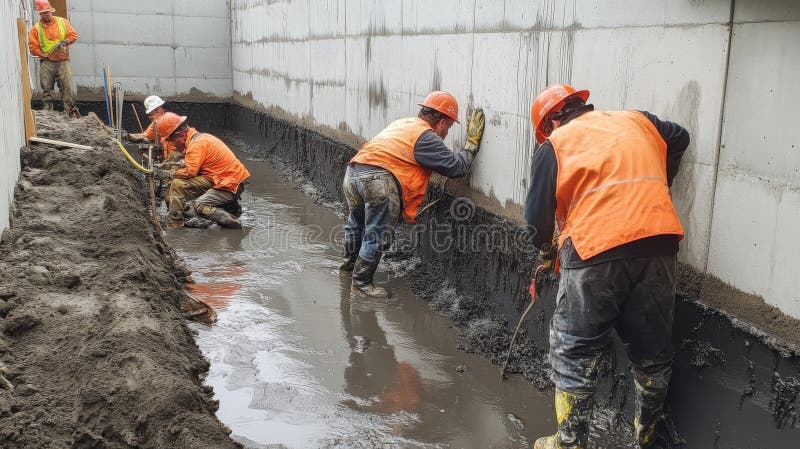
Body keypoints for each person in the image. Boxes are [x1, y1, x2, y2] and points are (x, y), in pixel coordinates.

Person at [524, 84, 690, 449]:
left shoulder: (555, 144)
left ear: (552, 120)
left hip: (595, 250)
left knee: (573, 348)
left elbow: (536, 221)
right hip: (658, 243)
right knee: (653, 353)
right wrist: (661, 180)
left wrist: (544, 249)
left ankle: (569, 442)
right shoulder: (639, 121)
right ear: (581, 105)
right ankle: (645, 439)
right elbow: (680, 137)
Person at [342, 91, 485, 298]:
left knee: (356, 223)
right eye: (449, 128)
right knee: (377, 232)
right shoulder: (425, 136)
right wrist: (471, 145)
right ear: (442, 121)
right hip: (377, 181)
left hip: (353, 174)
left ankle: (348, 268)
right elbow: (456, 167)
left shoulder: (403, 124)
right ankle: (362, 283)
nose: (446, 135)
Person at [151, 113, 250, 229]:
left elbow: (189, 172)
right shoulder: (196, 139)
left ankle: (176, 224)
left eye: (170, 139)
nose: (171, 143)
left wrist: (168, 174)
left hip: (228, 185)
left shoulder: (196, 144)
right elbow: (186, 164)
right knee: (178, 179)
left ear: (181, 134)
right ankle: (230, 208)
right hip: (223, 179)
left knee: (196, 202)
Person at [28, 0, 79, 117]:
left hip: (63, 60)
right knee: (47, 90)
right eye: (44, 12)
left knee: (67, 87)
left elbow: (73, 35)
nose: (47, 14)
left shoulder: (62, 22)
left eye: (49, 12)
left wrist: (66, 41)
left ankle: (70, 113)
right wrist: (44, 55)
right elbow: (32, 47)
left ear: (51, 11)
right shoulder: (36, 29)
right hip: (47, 62)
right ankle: (48, 115)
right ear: (40, 13)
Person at [129, 95, 180, 163]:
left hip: (177, 153)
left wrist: (129, 136)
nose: (149, 117)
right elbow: (147, 135)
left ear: (158, 110)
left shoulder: (160, 122)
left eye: (151, 114)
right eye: (149, 115)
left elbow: (146, 135)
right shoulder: (167, 117)